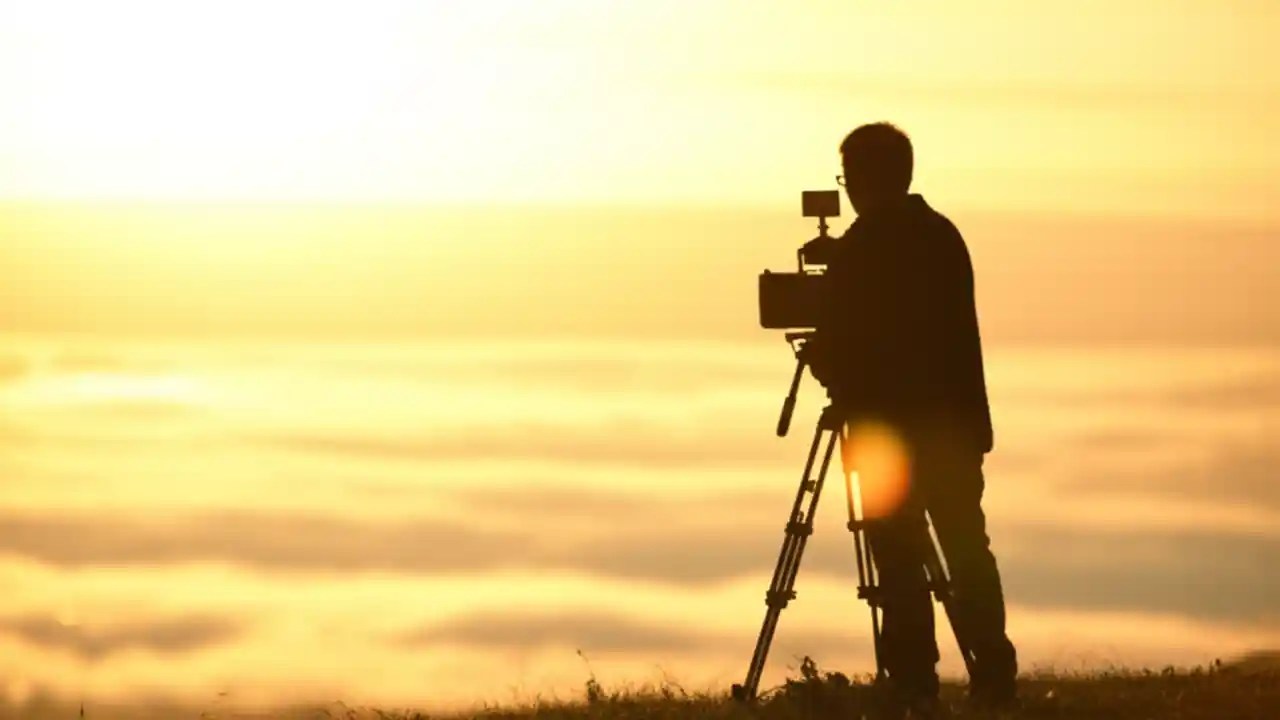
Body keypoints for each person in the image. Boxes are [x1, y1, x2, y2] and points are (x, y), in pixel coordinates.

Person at [802, 122, 1018, 715]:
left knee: (897, 556)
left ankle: (914, 683)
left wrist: (817, 355)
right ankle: (995, 675)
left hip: (886, 436)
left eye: (847, 179)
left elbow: (849, 347)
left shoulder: (863, 247)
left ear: (864, 180)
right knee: (967, 547)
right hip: (952, 428)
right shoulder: (942, 236)